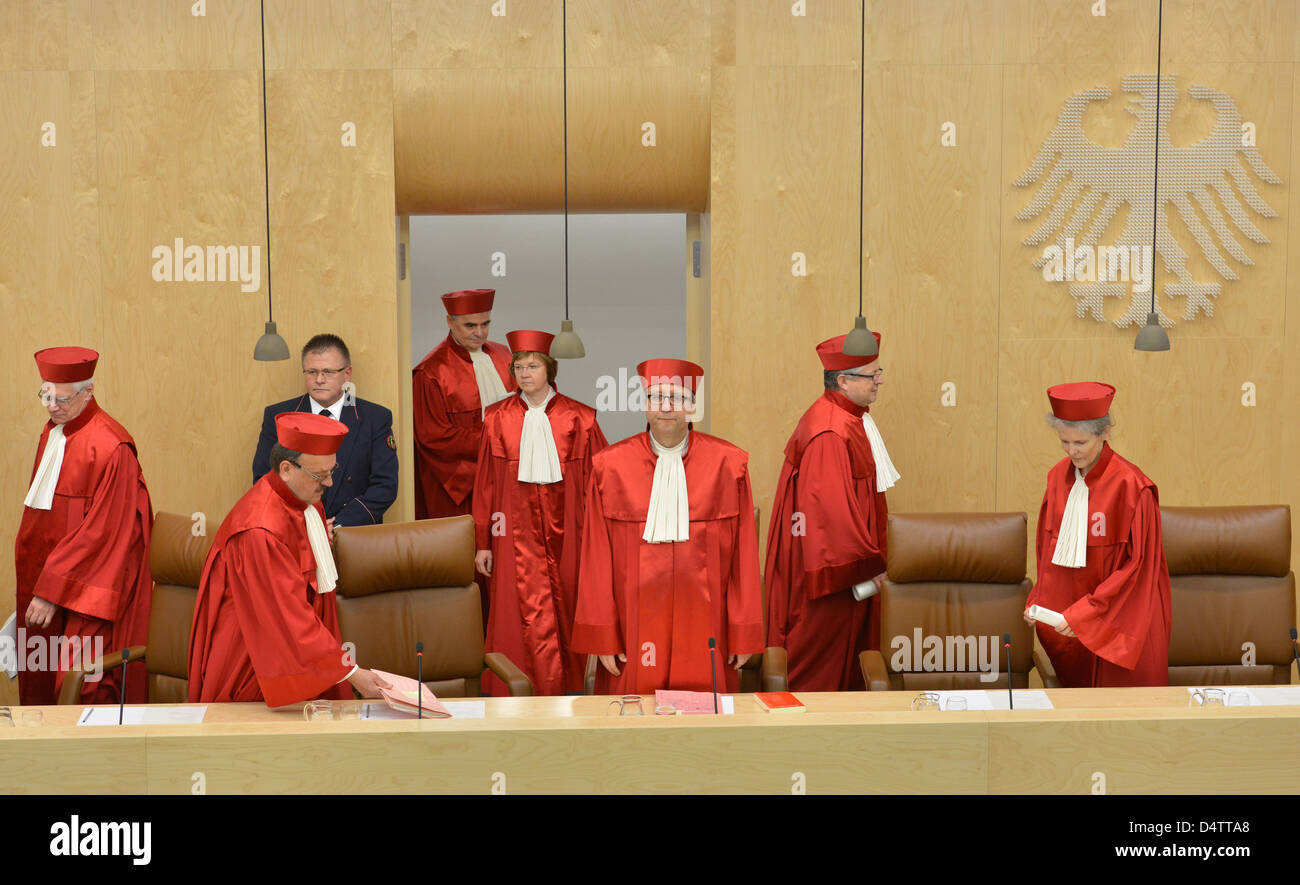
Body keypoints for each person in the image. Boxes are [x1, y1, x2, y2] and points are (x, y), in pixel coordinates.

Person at [572, 358, 764, 694]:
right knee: (633, 728)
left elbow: (743, 558)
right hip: (633, 625)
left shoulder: (728, 465)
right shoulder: (609, 467)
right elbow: (596, 558)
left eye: (676, 399)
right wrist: (603, 636)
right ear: (644, 406)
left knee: (704, 726)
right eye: (657, 398)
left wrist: (742, 631)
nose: (666, 407)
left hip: (706, 620)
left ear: (692, 407)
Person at [189, 413, 391, 706]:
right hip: (254, 660)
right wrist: (352, 672)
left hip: (295, 647)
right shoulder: (259, 530)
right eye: (320, 475)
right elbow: (289, 615)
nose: (330, 483)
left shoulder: (307, 502)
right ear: (285, 468)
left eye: (331, 471)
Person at [15, 347, 153, 705]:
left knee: (83, 685)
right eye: (45, 396)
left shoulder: (112, 446)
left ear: (88, 391)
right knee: (40, 672)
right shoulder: (53, 433)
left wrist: (51, 589)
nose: (51, 406)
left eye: (61, 399)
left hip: (87, 590)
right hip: (49, 580)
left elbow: (105, 532)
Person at [472, 330, 608, 695]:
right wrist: (482, 541)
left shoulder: (580, 419)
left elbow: (600, 485)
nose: (524, 373)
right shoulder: (495, 418)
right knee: (514, 612)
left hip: (570, 532)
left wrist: (598, 539)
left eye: (533, 365)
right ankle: (513, 685)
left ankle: (571, 685)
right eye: (518, 366)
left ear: (549, 369)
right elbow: (485, 483)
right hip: (512, 533)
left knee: (569, 602)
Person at [765, 333, 897, 691]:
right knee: (818, 677)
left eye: (878, 371)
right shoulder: (830, 431)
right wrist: (874, 573)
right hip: (830, 587)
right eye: (872, 375)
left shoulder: (846, 418)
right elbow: (829, 522)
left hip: (843, 580)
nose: (880, 380)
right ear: (843, 380)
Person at [1025, 382, 1171, 687]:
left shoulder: (1133, 488)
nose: (1071, 451)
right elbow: (1048, 554)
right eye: (1064, 442)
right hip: (1074, 621)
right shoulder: (1056, 479)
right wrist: (1040, 600)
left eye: (1080, 442)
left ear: (1104, 433)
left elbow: (1137, 570)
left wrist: (1085, 616)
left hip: (1121, 619)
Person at [252, 333, 398, 530]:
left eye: (328, 372)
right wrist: (303, 523)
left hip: (353, 534)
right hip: (294, 531)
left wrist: (337, 525)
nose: (319, 379)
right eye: (312, 372)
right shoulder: (279, 416)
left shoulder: (375, 418)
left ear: (347, 373)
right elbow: (264, 479)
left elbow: (385, 486)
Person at [412, 289, 515, 521]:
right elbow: (433, 437)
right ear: (450, 322)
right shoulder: (430, 373)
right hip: (462, 485)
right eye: (470, 326)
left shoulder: (506, 356)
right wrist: (497, 441)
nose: (480, 333)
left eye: (485, 324)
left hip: (507, 475)